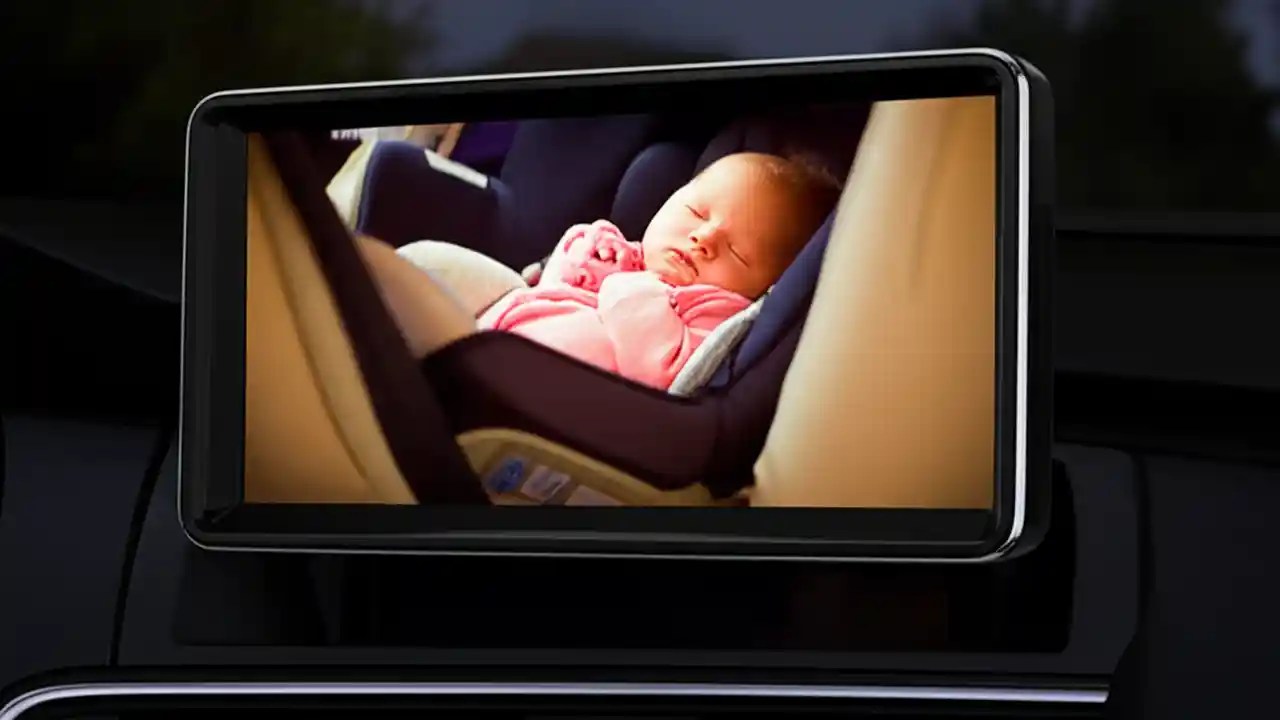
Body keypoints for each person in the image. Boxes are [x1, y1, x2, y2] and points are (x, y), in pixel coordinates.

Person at [360, 151, 840, 390]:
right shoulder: (631, 261)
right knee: (420, 261)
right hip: (503, 322)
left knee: (391, 294)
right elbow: (557, 287)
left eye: (737, 252)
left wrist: (628, 286)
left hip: (520, 388)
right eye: (695, 212)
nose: (704, 238)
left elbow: (659, 366)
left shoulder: (711, 315)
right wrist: (584, 255)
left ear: (764, 288)